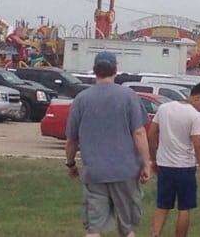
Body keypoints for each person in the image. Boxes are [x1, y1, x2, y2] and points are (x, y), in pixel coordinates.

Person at [64, 51, 152, 237]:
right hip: (126, 172)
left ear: (95, 71)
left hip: (95, 172)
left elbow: (71, 139)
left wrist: (71, 164)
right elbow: (138, 132)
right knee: (127, 229)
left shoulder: (81, 99)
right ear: (115, 70)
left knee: (94, 228)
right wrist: (146, 163)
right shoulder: (129, 96)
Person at [148, 82, 200, 237]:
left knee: (162, 205)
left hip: (164, 165)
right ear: (198, 97)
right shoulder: (195, 116)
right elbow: (199, 147)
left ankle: (155, 234)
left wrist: (153, 158)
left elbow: (151, 134)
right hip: (185, 167)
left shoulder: (164, 108)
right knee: (184, 208)